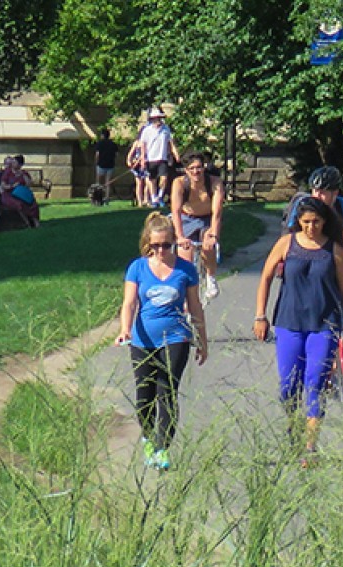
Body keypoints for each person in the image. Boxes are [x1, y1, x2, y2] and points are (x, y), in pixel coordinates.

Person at [253, 198, 343, 465]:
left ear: (325, 221)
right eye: (306, 222)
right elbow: (265, 277)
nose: (311, 227)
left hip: (325, 325)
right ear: (298, 221)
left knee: (315, 383)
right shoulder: (287, 244)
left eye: (316, 222)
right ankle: (293, 427)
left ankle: (310, 446)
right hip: (289, 322)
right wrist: (260, 315)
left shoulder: (335, 249)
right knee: (288, 385)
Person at [114, 211, 209, 471]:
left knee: (166, 391)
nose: (160, 251)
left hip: (176, 336)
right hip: (143, 338)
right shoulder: (138, 267)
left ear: (174, 243)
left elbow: (195, 307)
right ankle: (147, 438)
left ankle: (162, 447)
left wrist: (202, 339)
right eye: (154, 246)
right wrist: (125, 330)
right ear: (148, 244)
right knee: (145, 394)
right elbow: (129, 302)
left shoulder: (185, 270)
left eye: (166, 245)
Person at [171, 152, 225, 300]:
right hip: (186, 218)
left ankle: (211, 278)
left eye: (199, 167)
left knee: (208, 245)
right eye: (192, 168)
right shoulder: (180, 183)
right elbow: (175, 211)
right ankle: (186, 290)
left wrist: (214, 234)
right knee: (185, 255)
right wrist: (180, 236)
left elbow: (217, 212)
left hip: (206, 219)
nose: (196, 172)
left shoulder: (214, 182)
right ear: (186, 170)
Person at [135, 107, 180, 207]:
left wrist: (175, 153)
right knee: (152, 180)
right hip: (151, 158)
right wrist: (142, 158)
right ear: (152, 119)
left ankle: (160, 196)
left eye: (159, 118)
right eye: (156, 118)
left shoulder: (166, 129)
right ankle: (154, 198)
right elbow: (143, 145)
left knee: (164, 178)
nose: (158, 120)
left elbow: (170, 143)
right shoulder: (146, 130)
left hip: (162, 158)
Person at [0, 156, 39, 227]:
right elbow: (3, 185)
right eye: (12, 162)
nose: (12, 163)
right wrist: (12, 186)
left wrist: (22, 175)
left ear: (20, 165)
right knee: (19, 204)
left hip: (22, 194)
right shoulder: (8, 172)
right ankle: (27, 223)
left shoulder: (24, 173)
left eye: (14, 162)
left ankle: (36, 223)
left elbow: (28, 184)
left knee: (33, 204)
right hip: (9, 194)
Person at [93, 128, 118, 204]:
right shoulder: (113, 144)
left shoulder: (99, 143)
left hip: (101, 164)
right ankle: (107, 198)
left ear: (102, 135)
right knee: (108, 182)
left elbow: (97, 154)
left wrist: (96, 162)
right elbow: (116, 154)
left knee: (98, 183)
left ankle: (98, 197)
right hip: (110, 165)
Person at [127, 136, 152, 207]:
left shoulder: (149, 143)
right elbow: (130, 154)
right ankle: (140, 201)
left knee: (148, 182)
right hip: (137, 166)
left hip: (147, 164)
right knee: (139, 184)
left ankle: (147, 199)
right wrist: (129, 161)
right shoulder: (136, 143)